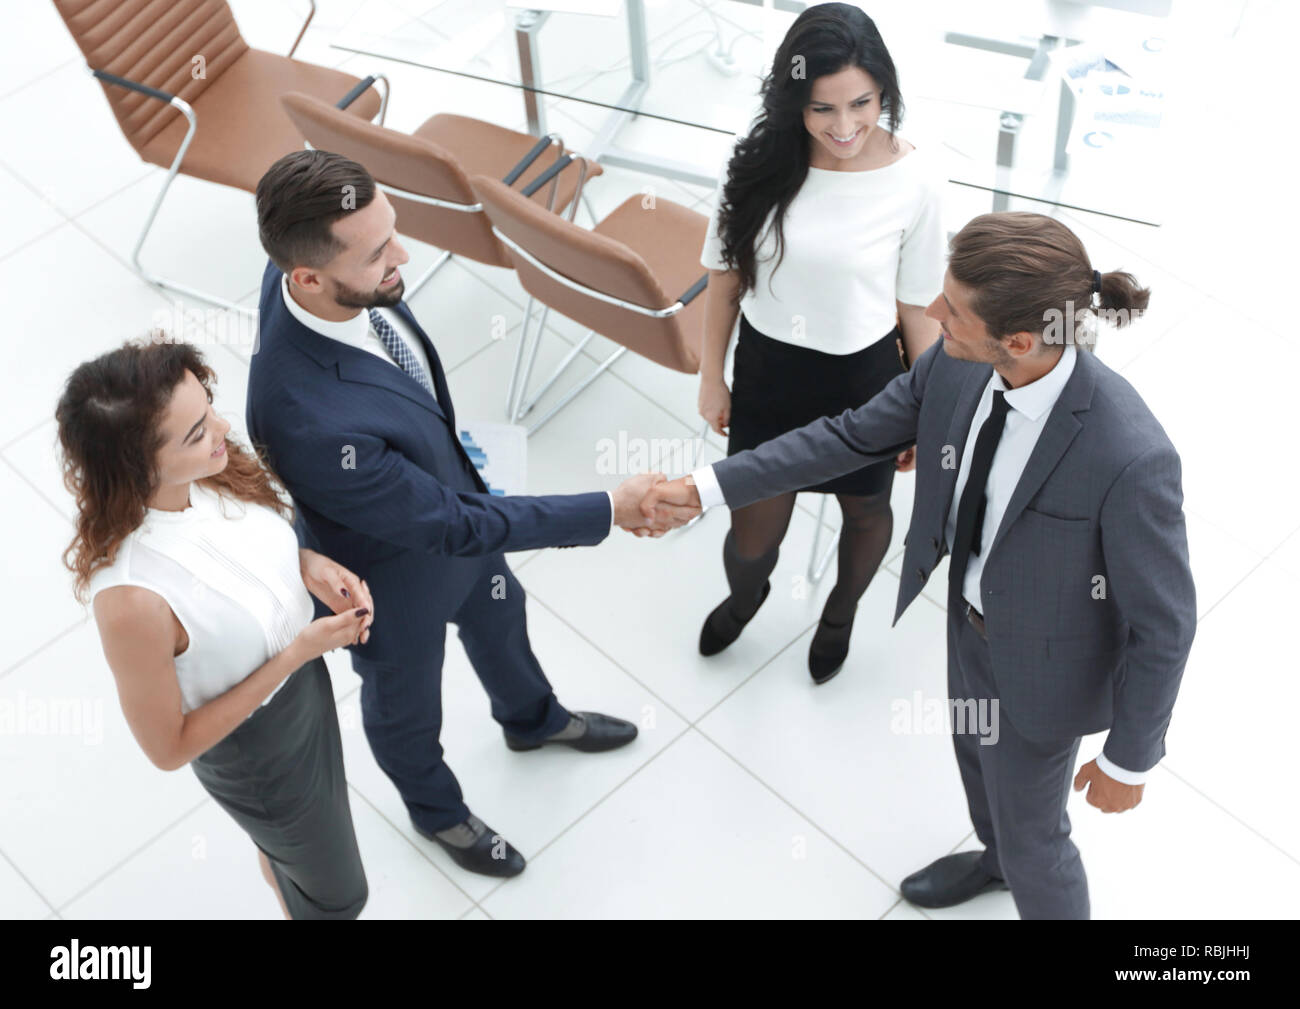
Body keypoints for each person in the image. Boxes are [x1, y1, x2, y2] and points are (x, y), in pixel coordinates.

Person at [645, 212, 1196, 919]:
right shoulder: (955, 364)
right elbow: (846, 438)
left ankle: (1016, 862)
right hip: (969, 630)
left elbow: (1166, 624)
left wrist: (1129, 759)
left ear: (1020, 341)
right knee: (974, 758)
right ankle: (994, 859)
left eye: (954, 311)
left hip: (1050, 672)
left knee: (1039, 843)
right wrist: (704, 489)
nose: (932, 316)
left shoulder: (1130, 454)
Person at [245, 149, 697, 879]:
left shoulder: (309, 266)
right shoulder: (308, 417)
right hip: (392, 579)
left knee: (501, 621)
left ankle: (533, 720)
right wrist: (608, 508)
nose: (404, 255)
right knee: (406, 707)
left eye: (392, 229)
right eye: (377, 253)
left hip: (455, 512)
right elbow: (449, 523)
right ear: (308, 277)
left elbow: (455, 512)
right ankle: (437, 812)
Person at [60, 339, 375, 919]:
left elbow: (238, 554)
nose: (223, 427)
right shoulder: (133, 599)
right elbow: (168, 747)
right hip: (258, 751)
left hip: (304, 692)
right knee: (340, 896)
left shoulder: (210, 471)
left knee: (294, 858)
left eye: (209, 408)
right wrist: (294, 655)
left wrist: (305, 565)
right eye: (197, 431)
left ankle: (282, 880)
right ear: (138, 465)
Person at [696, 2, 944, 684]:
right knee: (751, 537)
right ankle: (747, 599)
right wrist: (711, 376)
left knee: (866, 513)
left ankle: (839, 615)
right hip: (770, 373)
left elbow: (916, 306)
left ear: (884, 91)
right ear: (793, 101)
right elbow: (723, 278)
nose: (844, 128)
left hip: (866, 383)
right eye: (820, 109)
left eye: (860, 104)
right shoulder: (757, 165)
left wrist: (928, 405)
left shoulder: (917, 179)